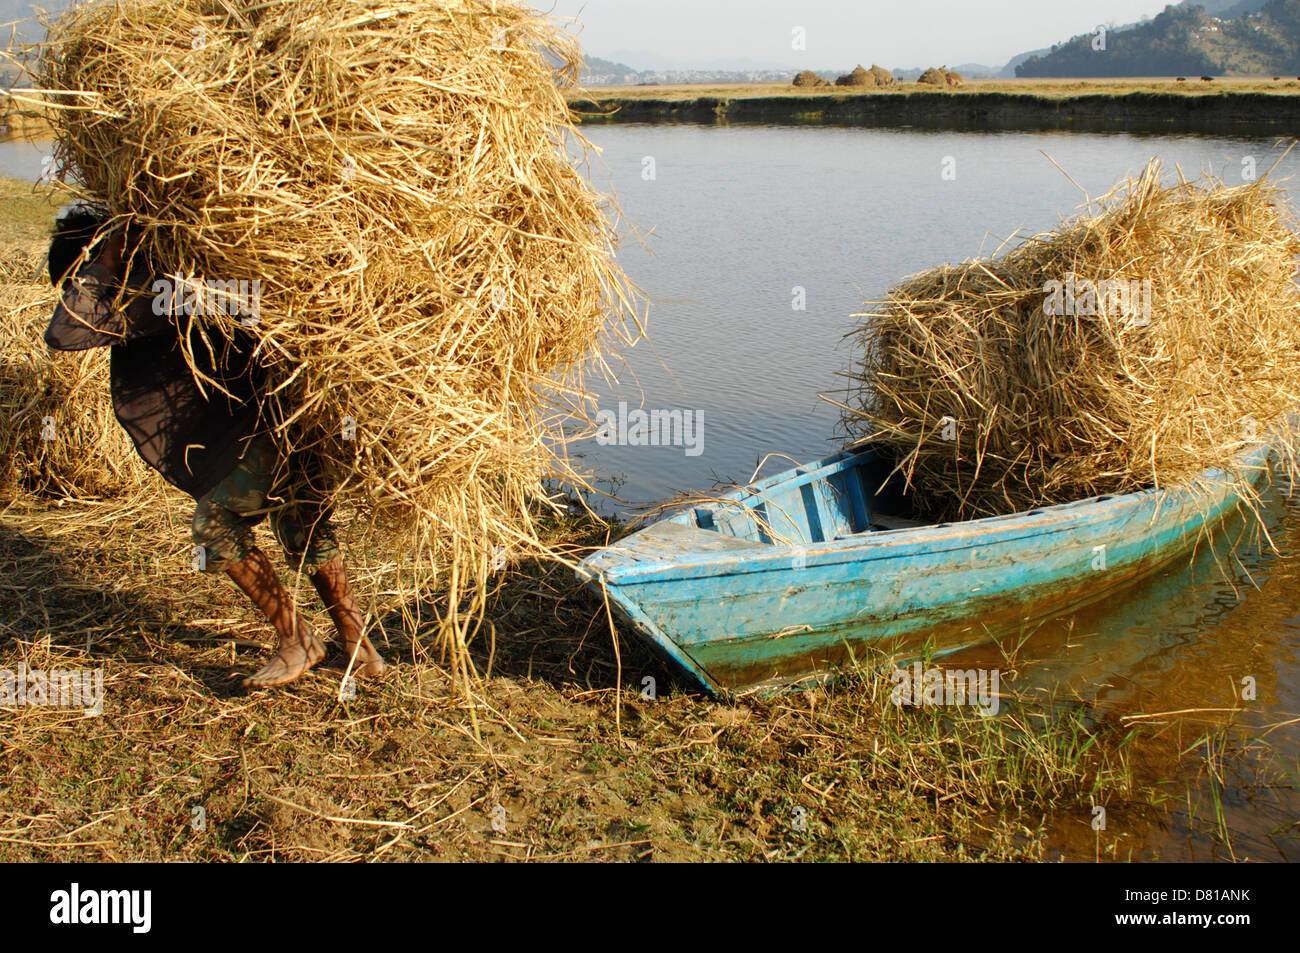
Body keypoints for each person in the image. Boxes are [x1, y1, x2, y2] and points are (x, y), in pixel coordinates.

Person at [44, 205, 384, 688]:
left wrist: (108, 261)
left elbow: (64, 332)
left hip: (261, 425)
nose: (82, 291)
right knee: (303, 526)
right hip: (291, 410)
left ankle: (298, 641)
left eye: (82, 279)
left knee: (216, 524)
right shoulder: (193, 271)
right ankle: (360, 648)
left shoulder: (151, 289)